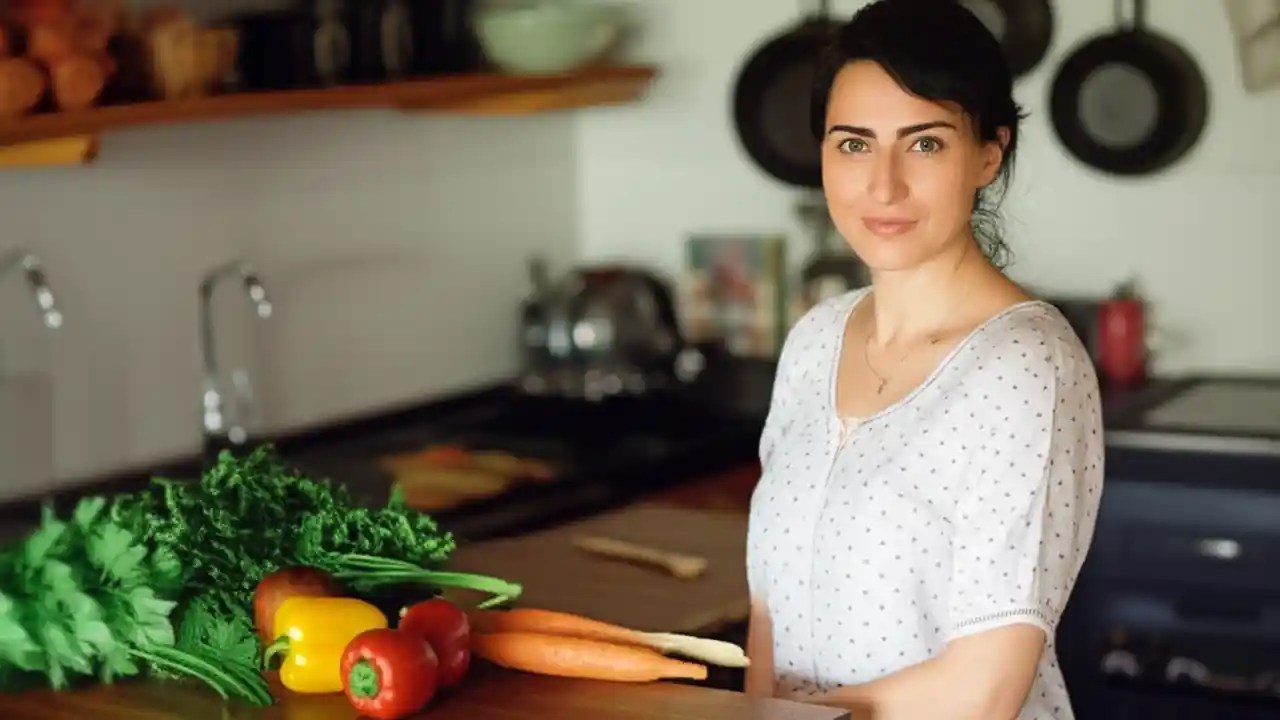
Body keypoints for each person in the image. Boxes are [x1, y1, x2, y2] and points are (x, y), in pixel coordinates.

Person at [743, 1, 1105, 719]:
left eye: (925, 144)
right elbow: (768, 620)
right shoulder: (816, 340)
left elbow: (985, 690)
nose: (883, 185)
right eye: (853, 144)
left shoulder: (1024, 366)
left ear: (988, 154)